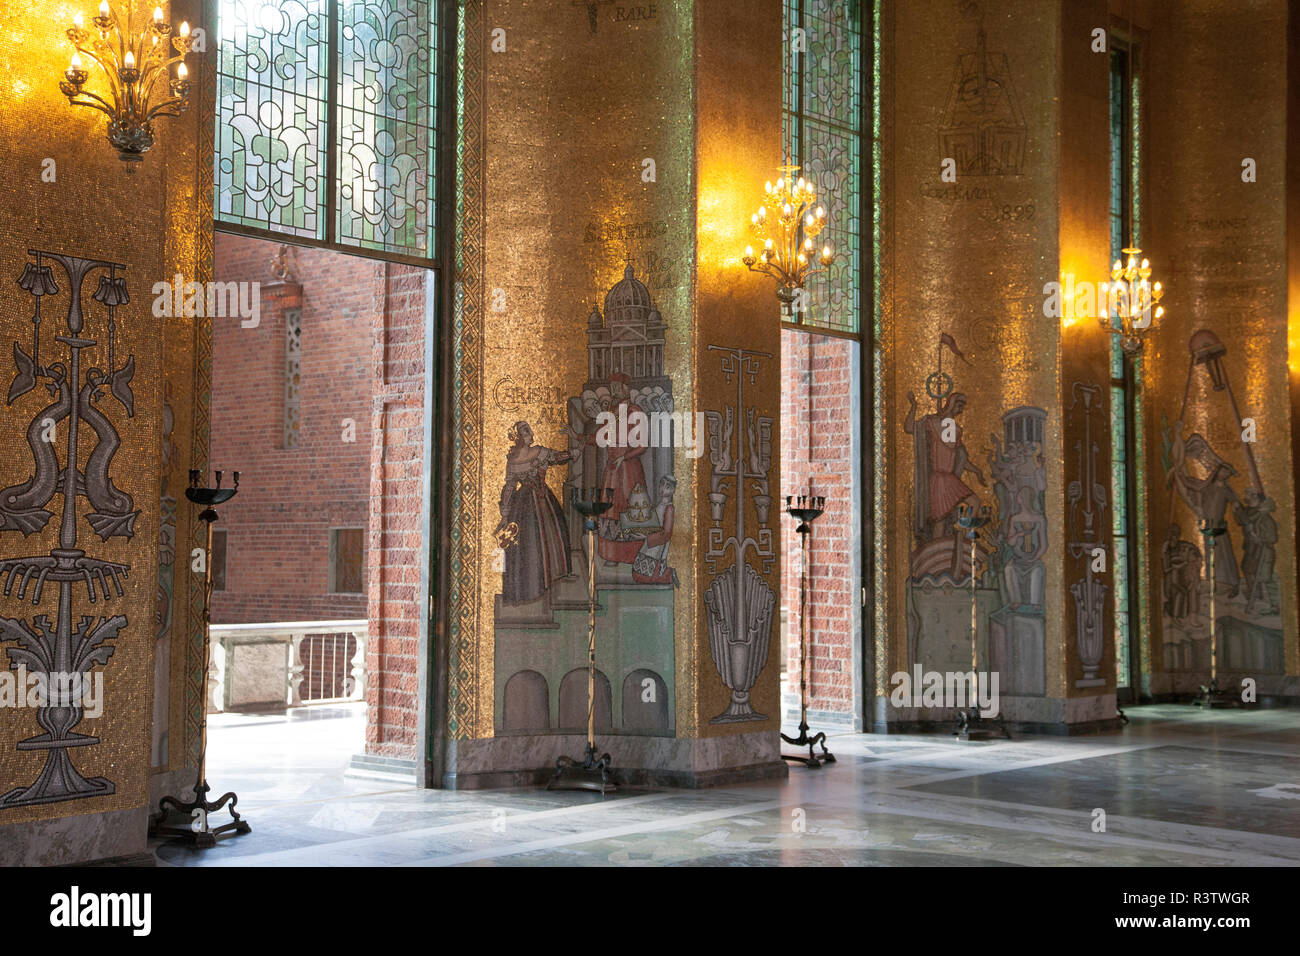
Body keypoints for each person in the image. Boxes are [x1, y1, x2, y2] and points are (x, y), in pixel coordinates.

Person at [498, 421, 573, 605]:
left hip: (543, 500)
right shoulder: (513, 461)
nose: (531, 433)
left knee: (548, 536)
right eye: (526, 432)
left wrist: (573, 453)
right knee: (526, 543)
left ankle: (551, 580)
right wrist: (505, 514)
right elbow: (509, 488)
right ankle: (528, 587)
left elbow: (557, 457)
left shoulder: (539, 452)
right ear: (518, 438)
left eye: (529, 430)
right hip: (523, 506)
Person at [904, 390, 986, 540]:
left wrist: (977, 471)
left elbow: (960, 459)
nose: (961, 409)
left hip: (949, 479)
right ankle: (936, 553)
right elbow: (910, 428)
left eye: (963, 405)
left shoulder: (957, 430)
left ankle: (965, 538)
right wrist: (914, 406)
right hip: (939, 479)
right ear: (951, 404)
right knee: (940, 521)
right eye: (959, 404)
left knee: (974, 502)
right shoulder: (931, 422)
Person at [595, 372, 648, 562]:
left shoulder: (635, 411)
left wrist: (624, 457)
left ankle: (633, 557)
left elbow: (642, 444)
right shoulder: (612, 413)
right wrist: (580, 438)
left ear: (626, 388)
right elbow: (601, 437)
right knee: (610, 510)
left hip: (628, 469)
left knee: (629, 507)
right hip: (612, 469)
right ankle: (611, 555)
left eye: (618, 386)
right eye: (612, 387)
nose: (614, 390)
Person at [631, 475, 678, 586]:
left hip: (658, 546)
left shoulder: (669, 508)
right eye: (661, 484)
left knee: (641, 576)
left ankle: (669, 575)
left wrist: (645, 537)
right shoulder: (659, 505)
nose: (662, 488)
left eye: (667, 486)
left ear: (673, 490)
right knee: (637, 574)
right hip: (650, 543)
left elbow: (666, 533)